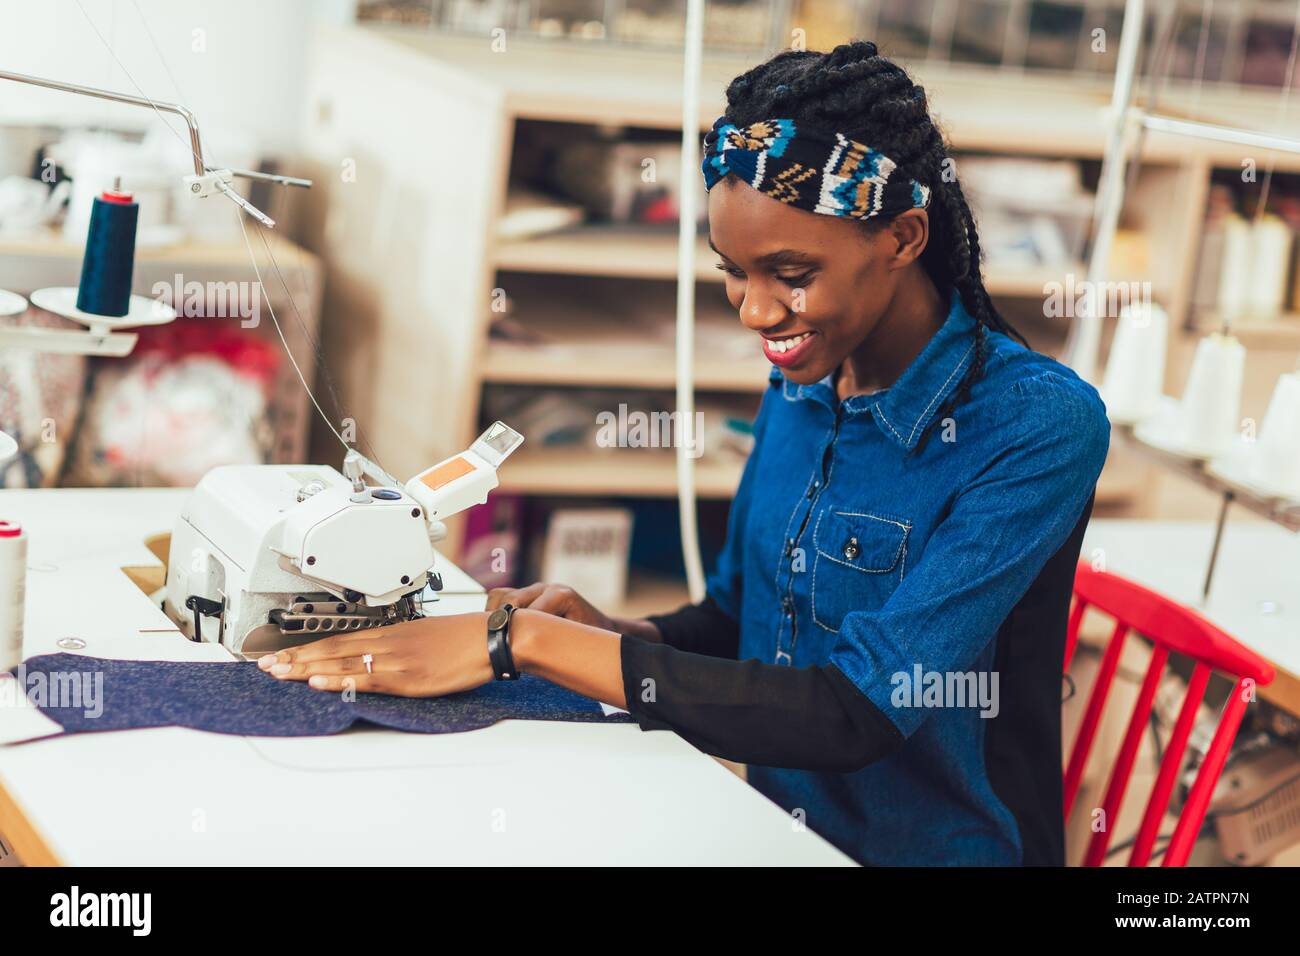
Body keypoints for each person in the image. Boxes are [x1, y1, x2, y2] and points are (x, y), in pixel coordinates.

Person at [259, 40, 1109, 866]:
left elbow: (855, 712)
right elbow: (744, 624)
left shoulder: (1037, 427)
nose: (754, 311)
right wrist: (610, 630)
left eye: (789, 271)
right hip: (775, 831)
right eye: (733, 271)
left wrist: (531, 644)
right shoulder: (809, 384)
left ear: (905, 236)